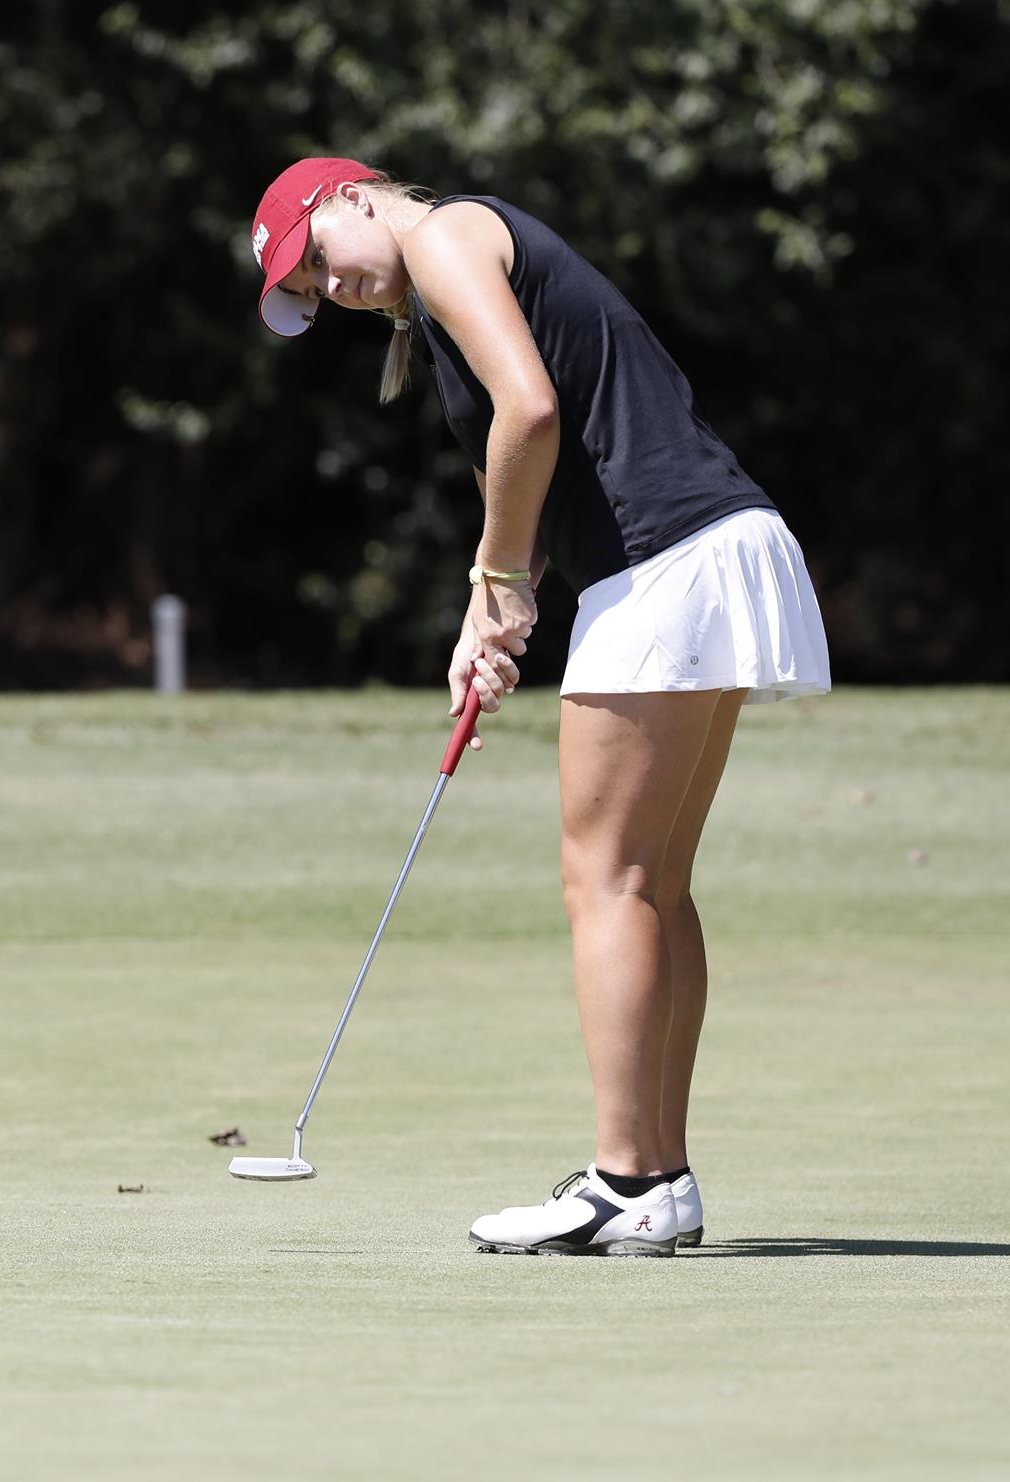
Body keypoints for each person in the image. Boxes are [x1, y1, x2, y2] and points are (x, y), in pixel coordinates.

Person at [249, 157, 832, 1256]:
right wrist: (491, 612)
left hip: (670, 562)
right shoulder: (449, 266)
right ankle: (656, 1180)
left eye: (317, 260)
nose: (330, 288)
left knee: (605, 879)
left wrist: (499, 581)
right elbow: (529, 459)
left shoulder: (442, 237)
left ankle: (621, 1182)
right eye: (309, 291)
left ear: (352, 196)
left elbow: (529, 409)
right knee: (649, 882)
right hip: (706, 548)